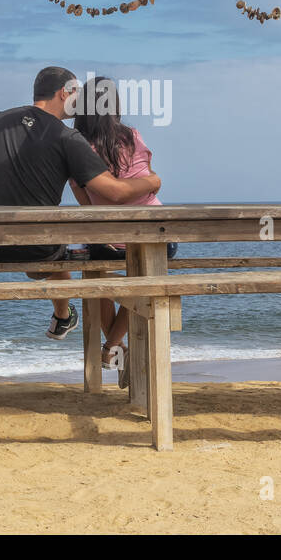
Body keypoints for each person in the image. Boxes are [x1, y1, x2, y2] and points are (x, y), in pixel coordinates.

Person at [0, 66, 162, 349]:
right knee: (61, 258)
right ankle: (62, 316)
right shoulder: (67, 139)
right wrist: (154, 180)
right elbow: (115, 192)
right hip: (40, 248)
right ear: (63, 93)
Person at [70, 75, 176, 379]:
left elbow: (86, 203)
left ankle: (114, 348)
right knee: (143, 278)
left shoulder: (76, 147)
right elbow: (149, 178)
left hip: (109, 240)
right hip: (156, 236)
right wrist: (150, 183)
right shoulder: (132, 136)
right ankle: (113, 347)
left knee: (96, 276)